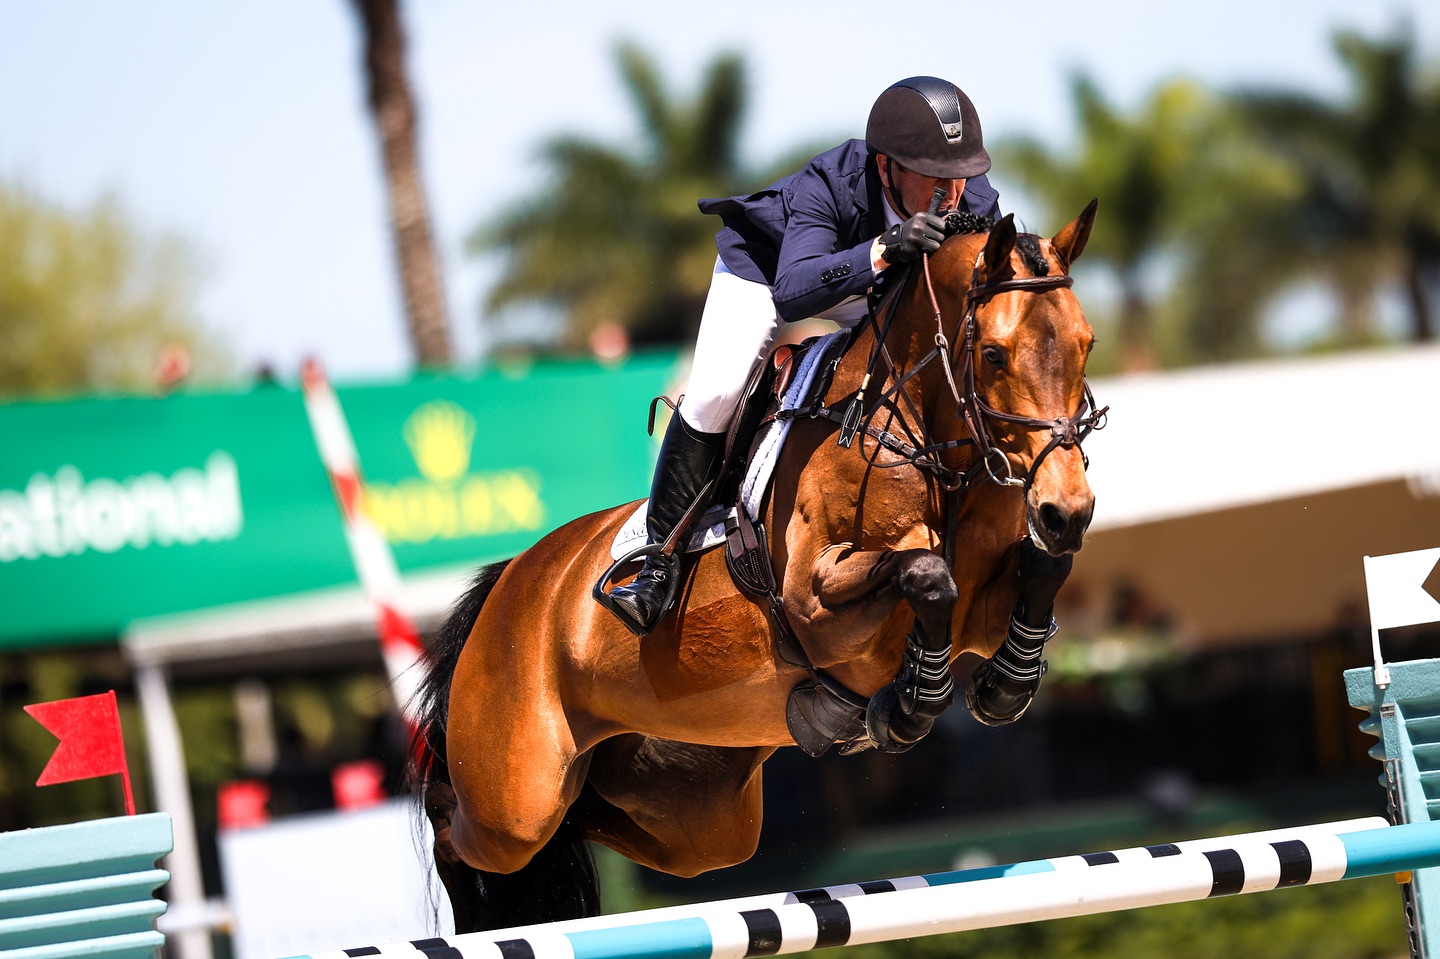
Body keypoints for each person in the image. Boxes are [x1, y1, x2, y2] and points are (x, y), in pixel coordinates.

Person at [597, 76, 1003, 636]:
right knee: (716, 392)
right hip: (771, 273)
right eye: (934, 176)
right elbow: (794, 292)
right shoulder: (830, 183)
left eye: (959, 175)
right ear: (886, 167)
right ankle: (656, 563)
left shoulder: (974, 199)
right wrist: (886, 248)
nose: (953, 192)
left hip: (877, 293)